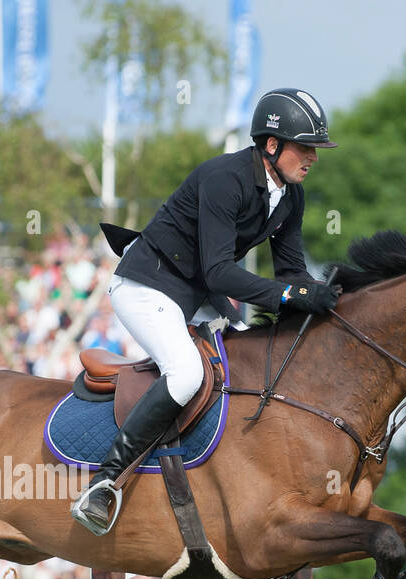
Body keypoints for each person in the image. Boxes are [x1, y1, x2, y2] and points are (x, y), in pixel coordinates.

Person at [71, 88, 340, 535]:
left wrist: (332, 293)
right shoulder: (224, 178)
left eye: (315, 149)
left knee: (246, 365)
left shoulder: (290, 196)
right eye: (305, 147)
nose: (312, 157)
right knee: (186, 374)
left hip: (194, 294)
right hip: (146, 285)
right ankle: (105, 483)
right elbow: (219, 272)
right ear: (271, 144)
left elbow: (291, 270)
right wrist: (291, 297)